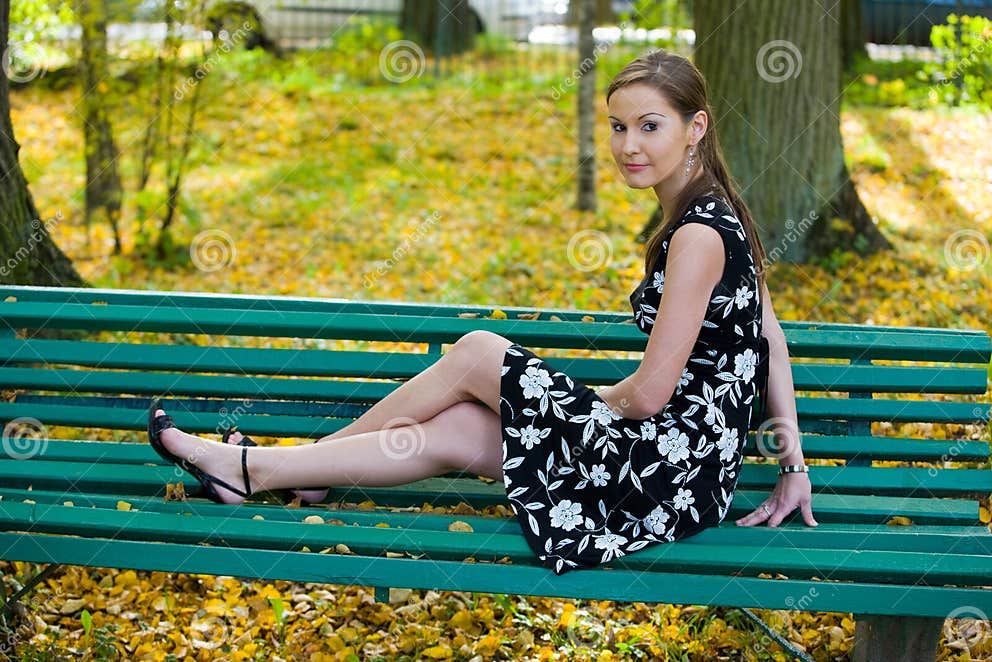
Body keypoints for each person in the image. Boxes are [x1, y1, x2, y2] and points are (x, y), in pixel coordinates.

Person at [147, 48, 817, 576]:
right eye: (617, 126)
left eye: (650, 126)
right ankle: (271, 474)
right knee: (460, 428)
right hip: (680, 473)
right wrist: (793, 466)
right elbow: (771, 340)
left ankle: (268, 469)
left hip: (661, 472)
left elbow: (647, 395)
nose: (628, 145)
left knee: (477, 353)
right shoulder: (712, 213)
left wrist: (556, 404)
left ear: (695, 127)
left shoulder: (700, 234)